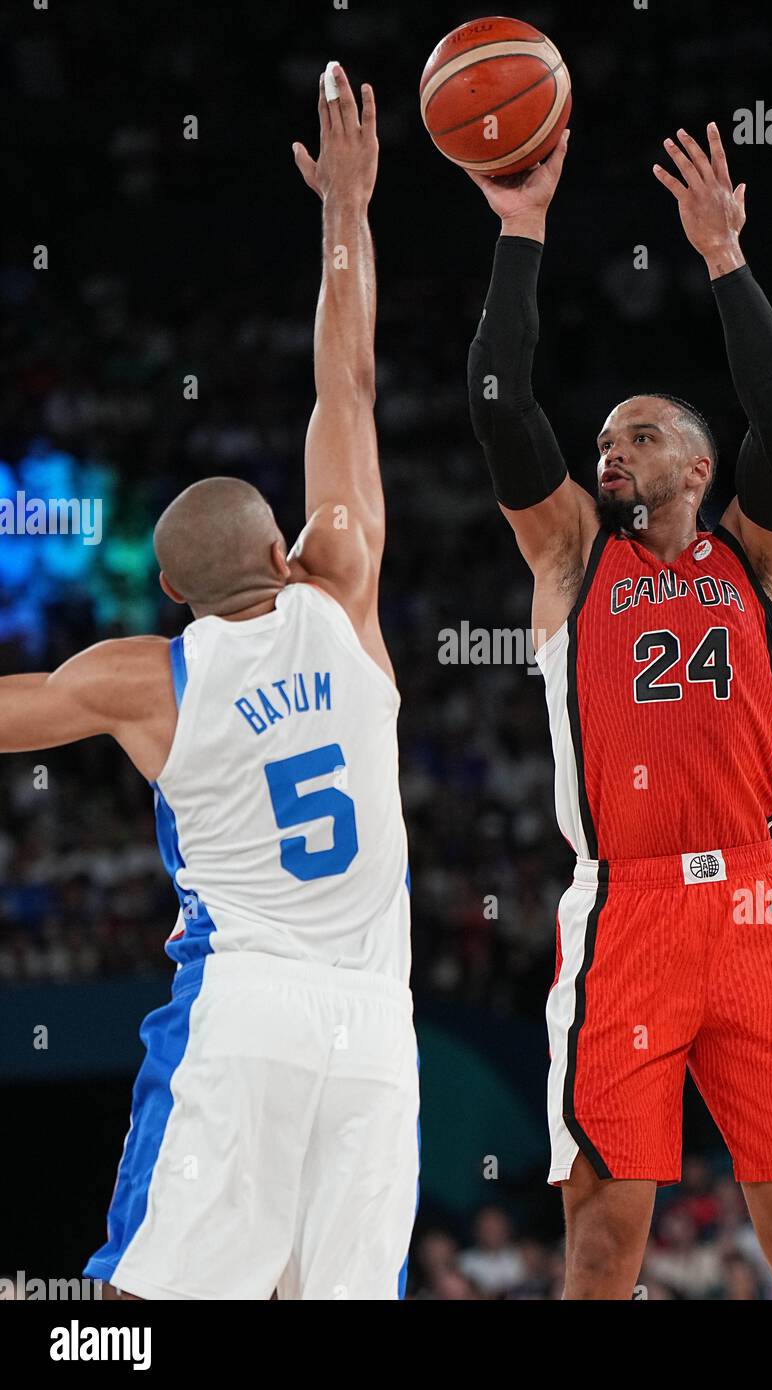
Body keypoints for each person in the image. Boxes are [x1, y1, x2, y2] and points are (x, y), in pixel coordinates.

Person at [0, 64, 418, 1300]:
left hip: (244, 1017)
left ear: (172, 593)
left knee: (126, 1316)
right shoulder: (345, 590)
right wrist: (348, 210)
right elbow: (345, 381)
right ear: (284, 548)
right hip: (378, 1033)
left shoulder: (145, 677)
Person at [464, 121, 772, 1299]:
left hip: (746, 897)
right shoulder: (574, 555)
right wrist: (520, 230)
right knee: (601, 1241)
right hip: (624, 912)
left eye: (639, 435)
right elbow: (497, 402)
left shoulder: (758, 559)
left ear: (699, 467)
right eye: (603, 440)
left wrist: (724, 256)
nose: (610, 451)